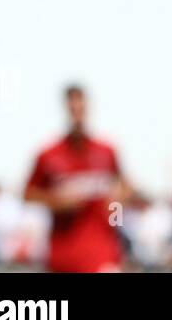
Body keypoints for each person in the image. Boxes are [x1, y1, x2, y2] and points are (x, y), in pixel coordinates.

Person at [24, 84, 145, 272]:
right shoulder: (49, 154)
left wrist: (115, 211)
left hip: (102, 251)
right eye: (73, 105)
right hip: (64, 253)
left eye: (81, 105)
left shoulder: (106, 151)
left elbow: (125, 190)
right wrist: (57, 201)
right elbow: (28, 194)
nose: (77, 111)